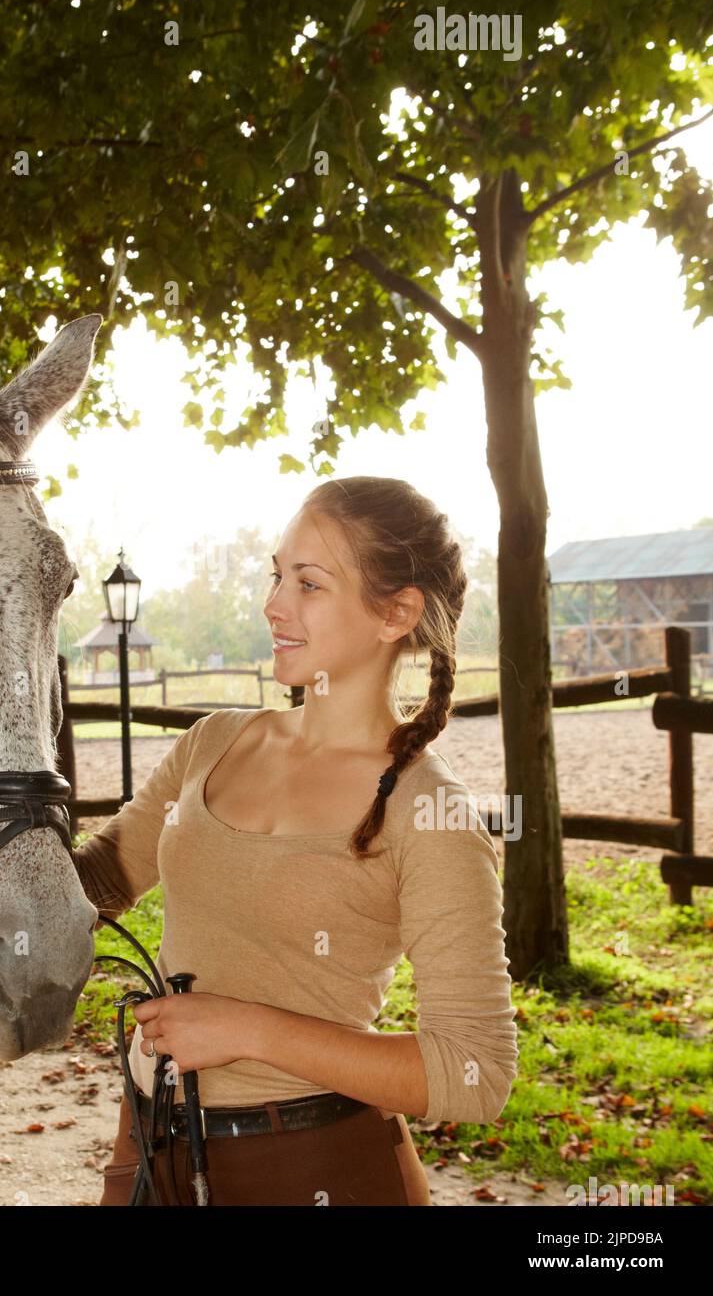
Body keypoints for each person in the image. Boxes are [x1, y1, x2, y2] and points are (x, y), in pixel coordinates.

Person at [73, 476, 519, 1206]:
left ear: (395, 613)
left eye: (308, 584)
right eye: (276, 575)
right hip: (151, 1146)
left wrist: (247, 1029)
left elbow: (474, 1074)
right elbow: (97, 879)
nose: (272, 603)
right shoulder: (214, 744)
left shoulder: (426, 810)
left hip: (315, 1168)